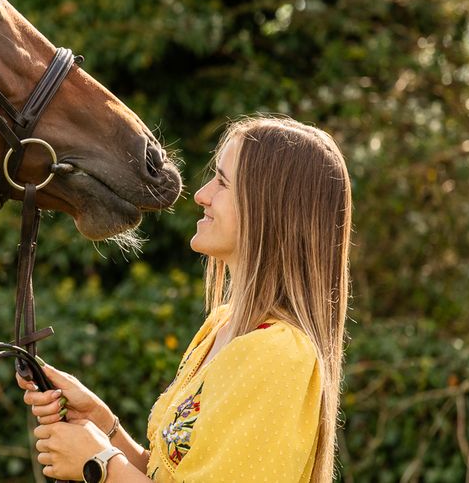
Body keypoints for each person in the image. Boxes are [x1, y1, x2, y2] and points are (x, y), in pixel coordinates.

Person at [18, 114, 352, 483]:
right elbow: (171, 475)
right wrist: (102, 423)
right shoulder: (222, 327)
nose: (201, 195)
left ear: (269, 208)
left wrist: (100, 464)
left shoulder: (278, 354)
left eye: (223, 183)